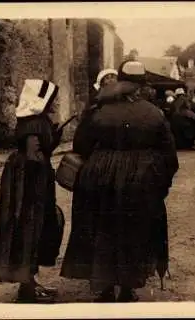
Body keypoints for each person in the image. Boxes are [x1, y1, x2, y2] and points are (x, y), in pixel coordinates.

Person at [60, 60, 179, 303]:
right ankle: (127, 288)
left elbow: (80, 147)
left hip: (99, 177)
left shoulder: (97, 110)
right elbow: (170, 157)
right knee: (134, 232)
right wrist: (160, 185)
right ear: (141, 85)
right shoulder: (154, 113)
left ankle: (103, 288)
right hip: (140, 179)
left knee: (101, 229)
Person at [0, 79, 65, 303]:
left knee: (27, 226)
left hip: (24, 175)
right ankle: (27, 289)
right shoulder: (35, 122)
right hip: (30, 179)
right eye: (50, 99)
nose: (53, 103)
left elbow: (37, 148)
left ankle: (29, 284)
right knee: (30, 226)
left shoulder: (31, 120)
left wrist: (53, 138)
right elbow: (34, 154)